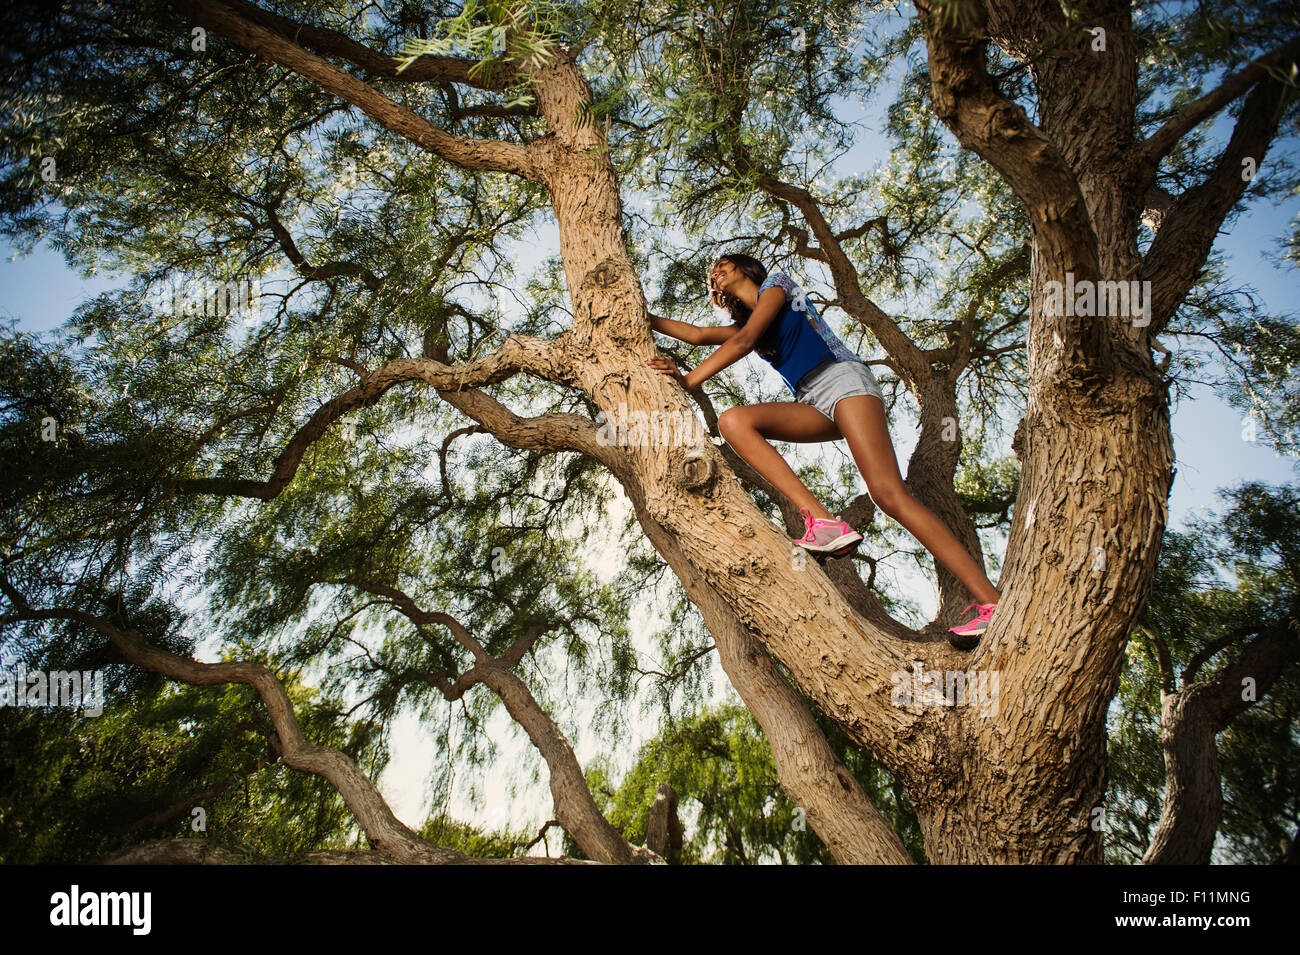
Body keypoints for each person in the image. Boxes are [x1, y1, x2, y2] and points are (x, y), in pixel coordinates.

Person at [646, 252, 1000, 646]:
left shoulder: (776, 286)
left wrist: (689, 380)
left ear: (746, 268)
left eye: (724, 263)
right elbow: (696, 334)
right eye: (713, 273)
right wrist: (638, 313)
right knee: (734, 422)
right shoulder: (746, 324)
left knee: (889, 495)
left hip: (843, 379)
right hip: (811, 400)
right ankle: (821, 522)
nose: (717, 271)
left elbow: (746, 342)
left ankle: (991, 602)